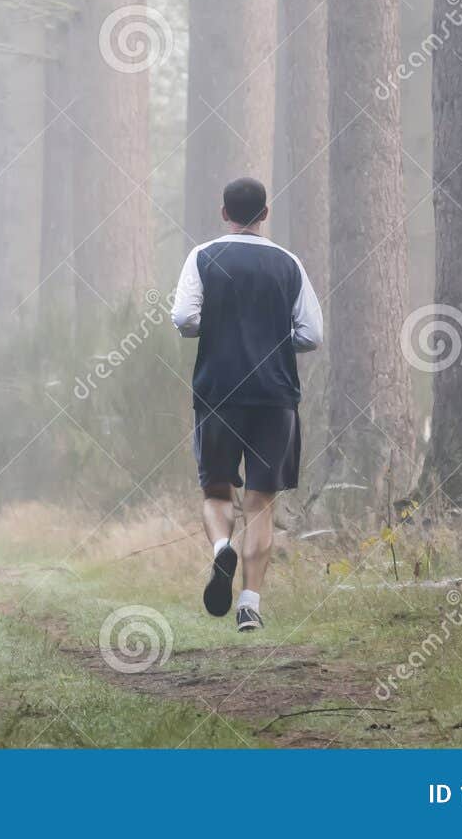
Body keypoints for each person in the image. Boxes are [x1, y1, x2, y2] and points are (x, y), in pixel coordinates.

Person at [170, 177, 322, 632]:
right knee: (260, 503)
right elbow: (311, 334)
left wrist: (214, 328)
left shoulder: (203, 256)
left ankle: (222, 549)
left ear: (224, 213)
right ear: (265, 214)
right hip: (275, 396)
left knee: (217, 491)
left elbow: (184, 318)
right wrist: (274, 337)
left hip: (218, 391)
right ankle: (250, 605)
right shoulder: (288, 263)